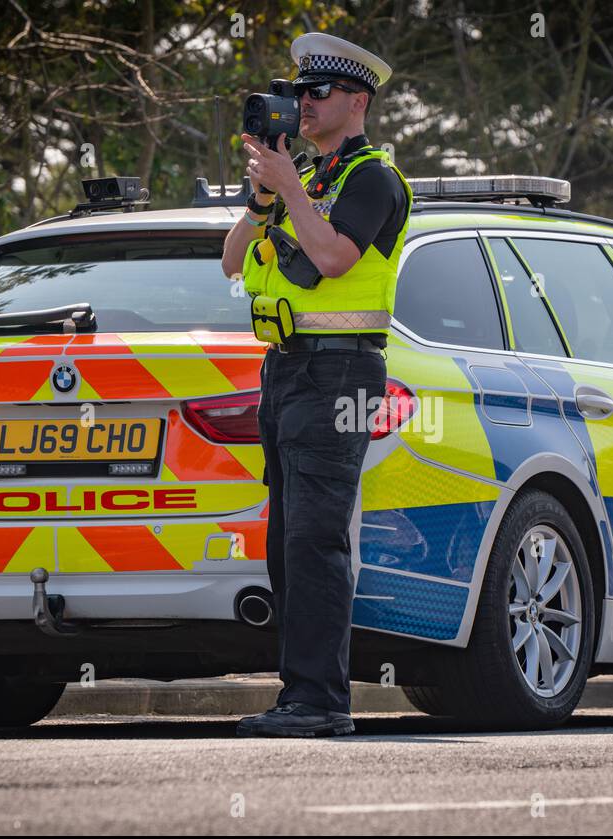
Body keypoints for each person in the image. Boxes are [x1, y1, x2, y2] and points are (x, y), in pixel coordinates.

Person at [220, 33, 412, 737]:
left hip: (340, 370)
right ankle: (298, 694)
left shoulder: (372, 178)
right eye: (298, 91)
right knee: (285, 542)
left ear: (357, 101)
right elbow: (232, 263)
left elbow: (333, 258)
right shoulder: (307, 178)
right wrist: (263, 197)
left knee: (317, 540)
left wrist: (293, 189)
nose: (302, 103)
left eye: (318, 92)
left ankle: (321, 702)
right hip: (286, 369)